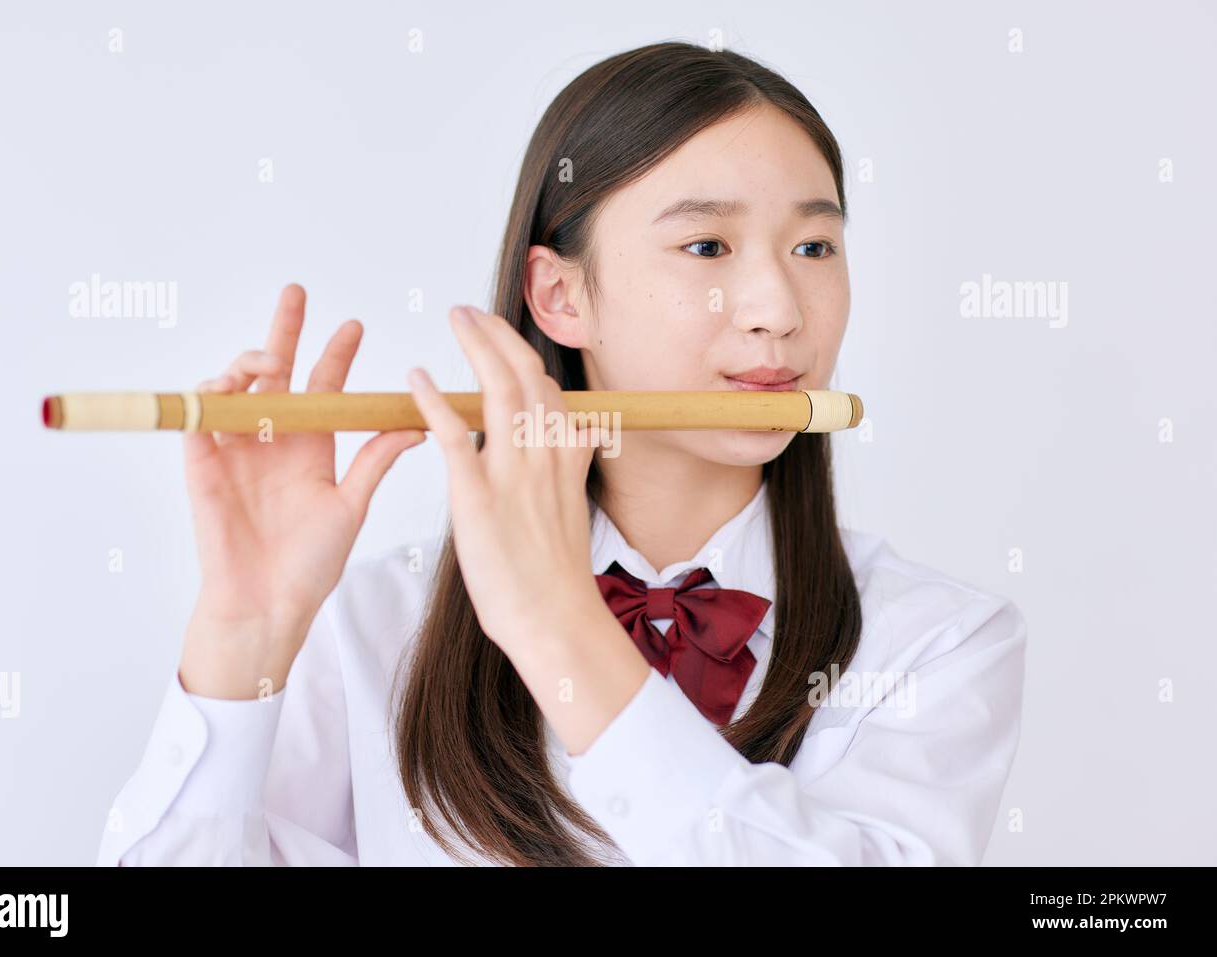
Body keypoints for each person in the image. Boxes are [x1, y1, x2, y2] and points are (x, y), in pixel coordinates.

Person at [97, 40, 1025, 867]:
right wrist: (241, 635)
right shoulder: (372, 626)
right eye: (708, 245)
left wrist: (558, 624)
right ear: (560, 296)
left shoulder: (935, 643)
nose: (778, 308)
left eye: (814, 244)